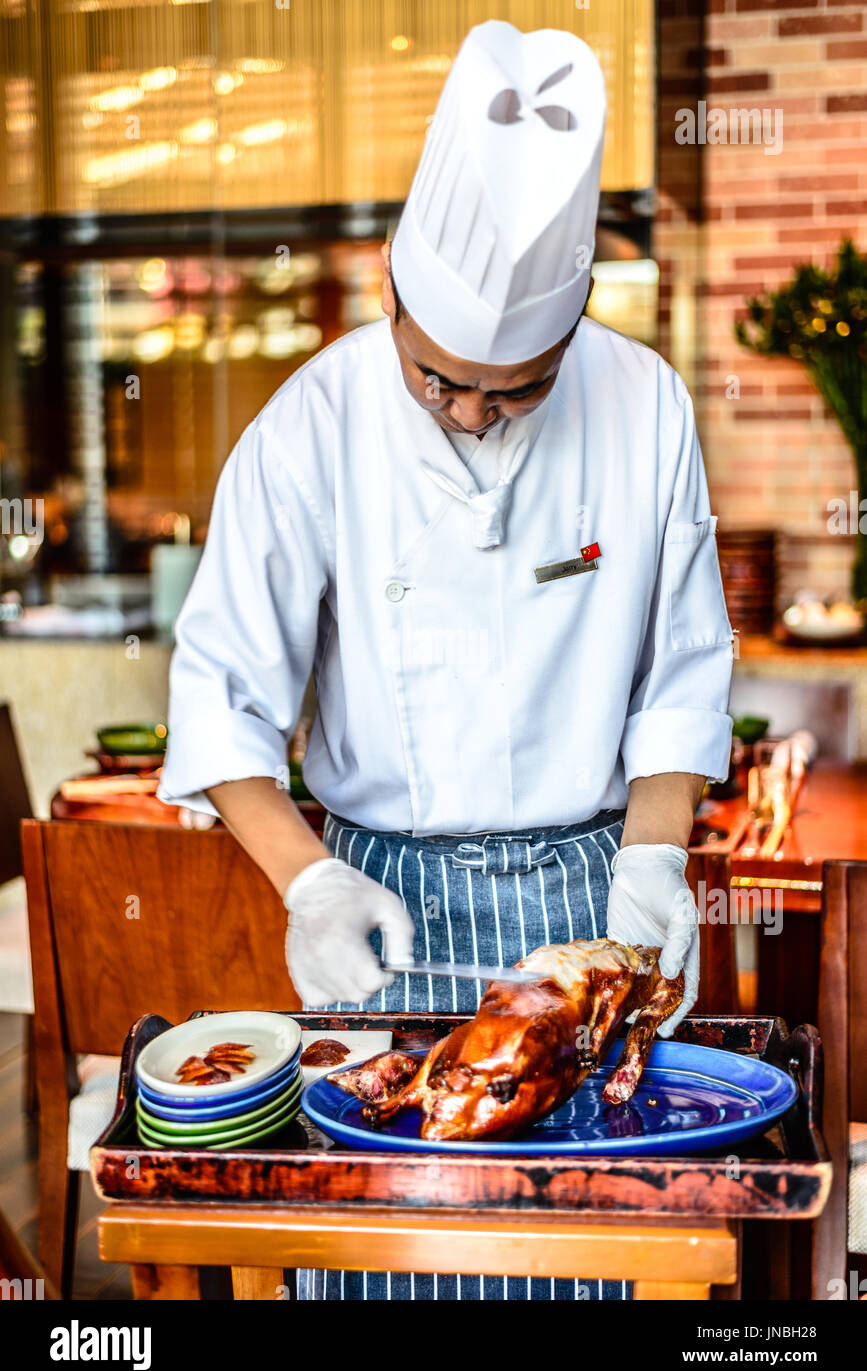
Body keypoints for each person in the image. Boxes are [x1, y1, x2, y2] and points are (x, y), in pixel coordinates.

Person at [159, 20, 733, 1301]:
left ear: (579, 317)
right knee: (385, 1251)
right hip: (377, 913)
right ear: (385, 286)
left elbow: (682, 675)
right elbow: (219, 702)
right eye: (439, 380)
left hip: (584, 921)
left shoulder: (644, 407)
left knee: (579, 1253)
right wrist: (308, 884)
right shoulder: (307, 425)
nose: (471, 413)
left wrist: (652, 859)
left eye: (514, 389)